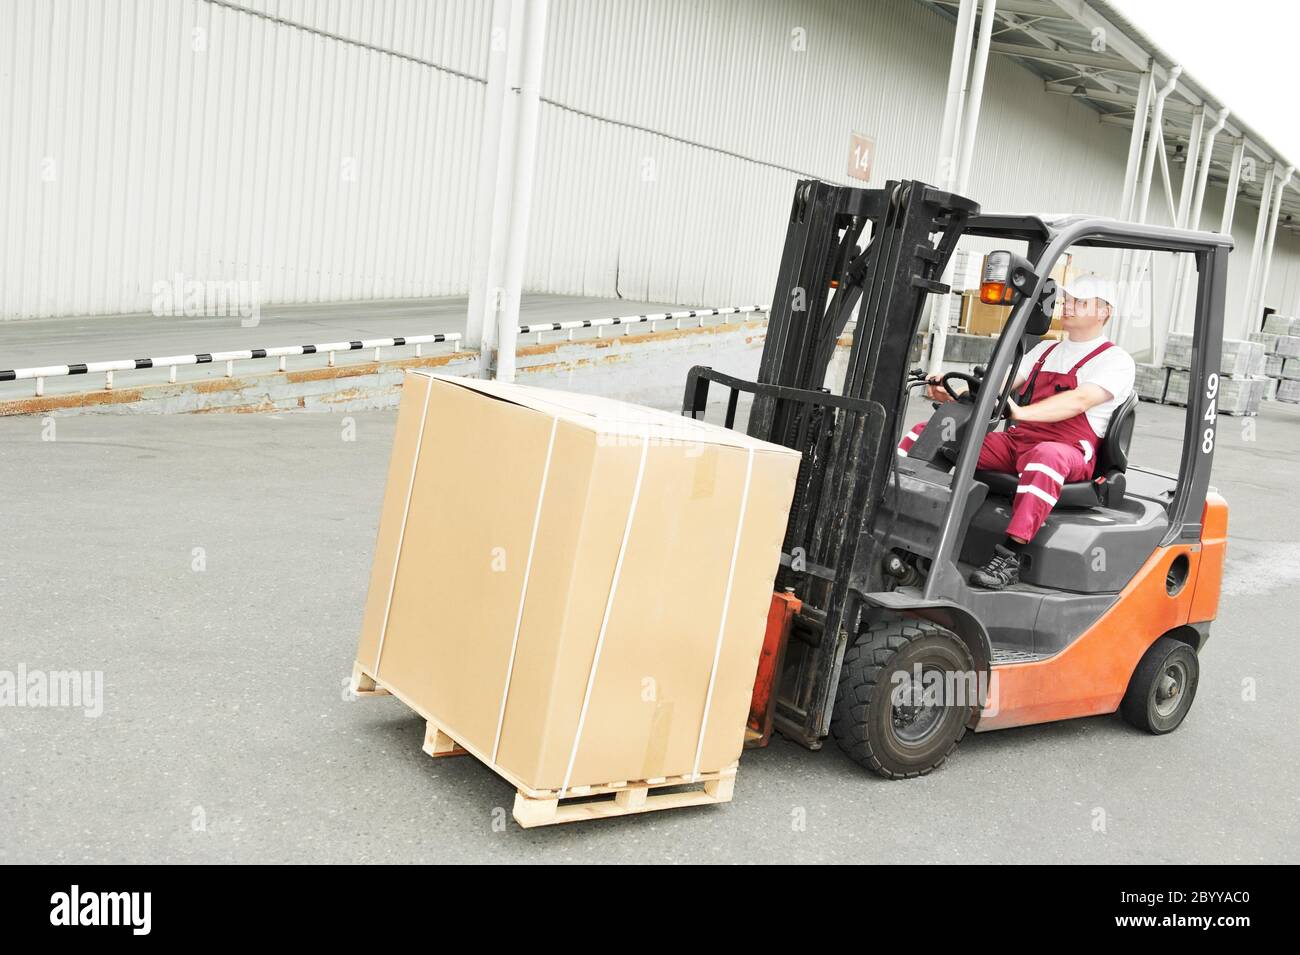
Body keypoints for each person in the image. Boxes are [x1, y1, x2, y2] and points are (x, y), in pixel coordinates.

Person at [898, 274, 1136, 590]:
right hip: (1019, 441)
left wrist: (1021, 412)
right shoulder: (1046, 351)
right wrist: (957, 390)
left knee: (1044, 456)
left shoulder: (1115, 360)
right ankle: (895, 508)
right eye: (1067, 300)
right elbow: (1000, 386)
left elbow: (1080, 400)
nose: (1067, 306)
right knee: (933, 432)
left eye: (1080, 302)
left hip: (1069, 450)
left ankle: (1010, 556)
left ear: (1104, 311)